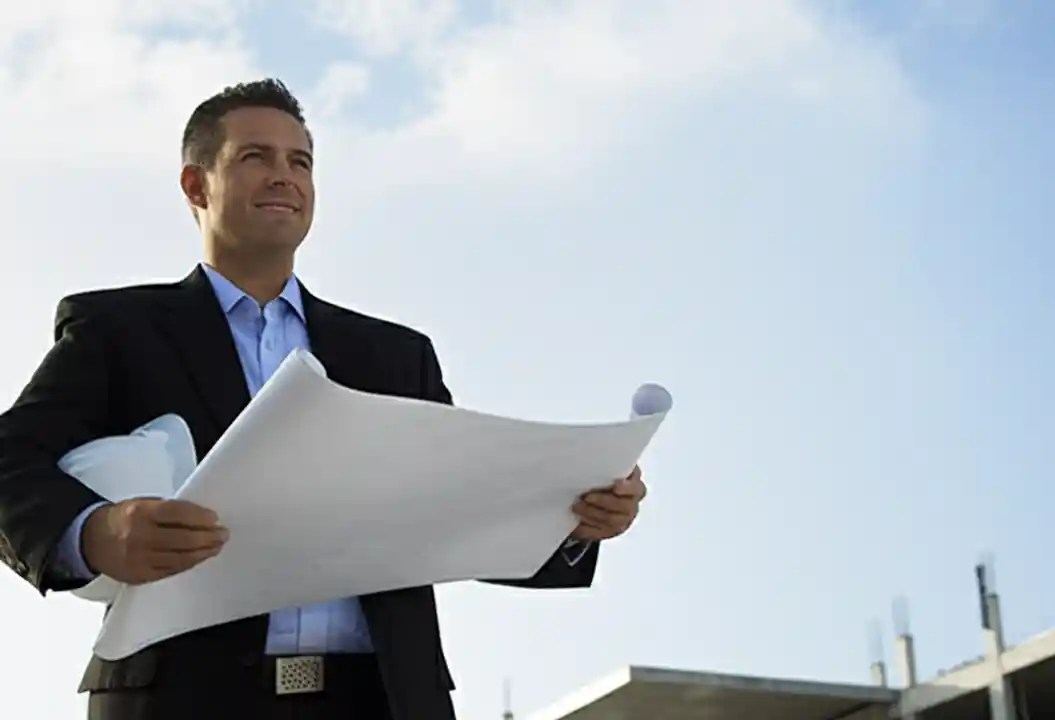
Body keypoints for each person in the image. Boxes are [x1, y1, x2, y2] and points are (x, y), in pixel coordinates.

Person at [0, 78, 648, 720]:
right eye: (256, 157)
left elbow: (459, 511)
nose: (285, 176)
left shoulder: (397, 356)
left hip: (381, 701)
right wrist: (94, 533)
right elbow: (10, 462)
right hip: (180, 698)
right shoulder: (118, 330)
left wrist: (573, 521)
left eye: (300, 161)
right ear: (197, 186)